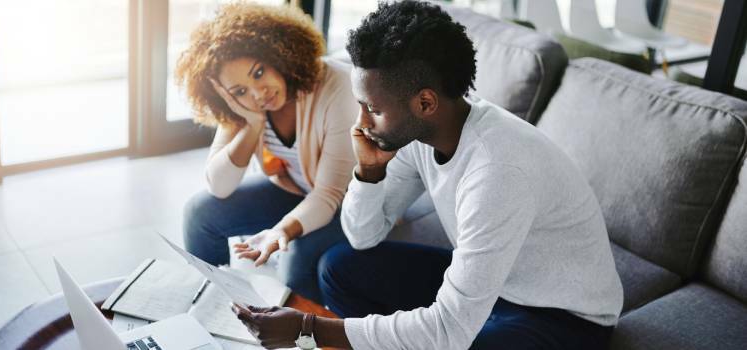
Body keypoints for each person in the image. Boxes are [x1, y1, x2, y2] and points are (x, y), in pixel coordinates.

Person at [229, 1, 624, 349]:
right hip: (500, 285)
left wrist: (308, 328)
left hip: (563, 318)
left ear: (425, 102)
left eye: (372, 108)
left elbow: (450, 331)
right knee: (340, 267)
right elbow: (363, 236)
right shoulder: (420, 131)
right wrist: (368, 172)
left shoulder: (497, 171)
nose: (360, 122)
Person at [176, 2, 357, 304]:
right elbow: (219, 186)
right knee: (199, 213)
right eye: (239, 91)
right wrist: (253, 124)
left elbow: (328, 196)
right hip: (299, 190)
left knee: (294, 261)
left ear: (278, 53)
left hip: (352, 205)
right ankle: (213, 310)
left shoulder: (337, 87)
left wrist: (280, 231)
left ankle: (305, 342)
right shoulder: (244, 108)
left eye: (259, 72)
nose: (259, 93)